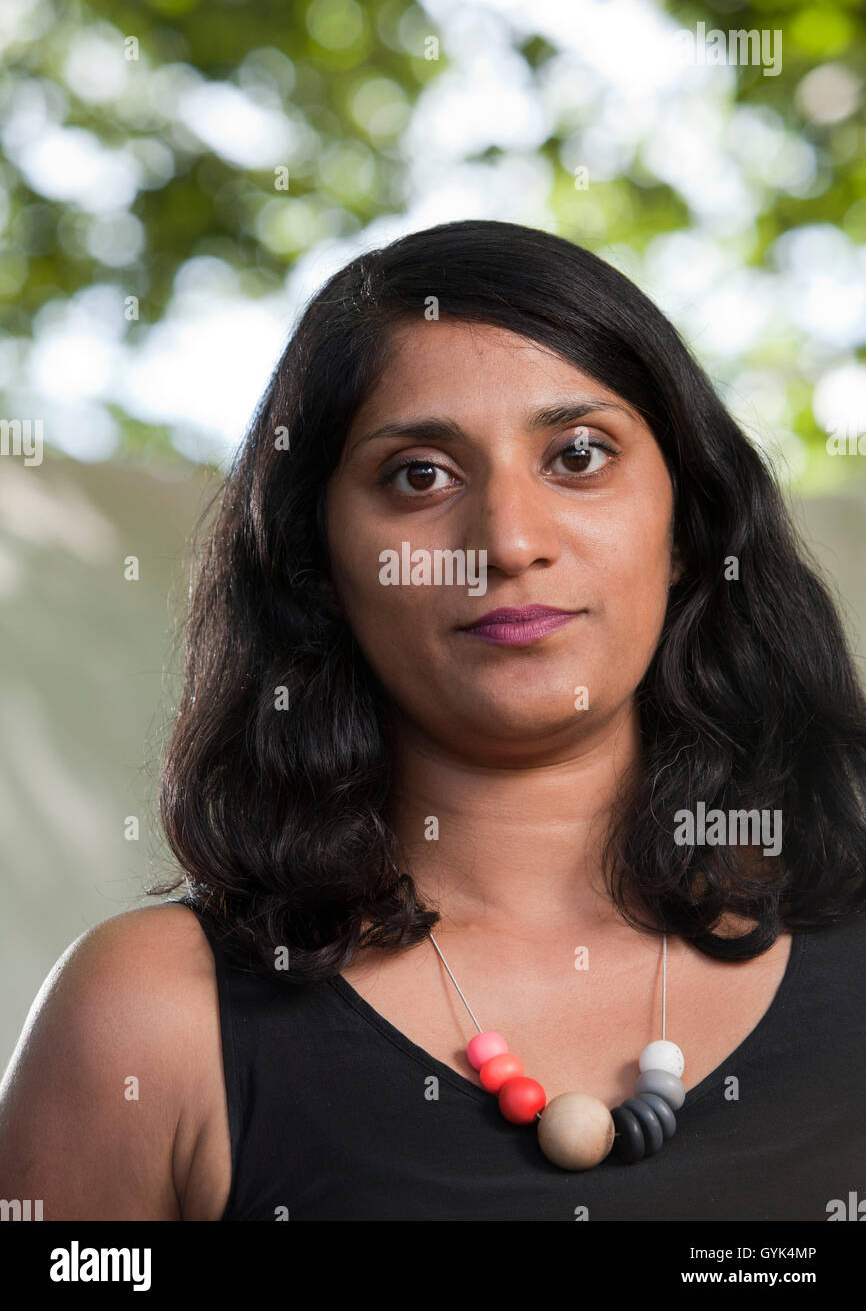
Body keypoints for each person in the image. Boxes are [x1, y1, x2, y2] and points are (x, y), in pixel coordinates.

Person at [2, 219, 865, 1221]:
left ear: (686, 526)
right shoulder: (147, 1018)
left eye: (577, 455)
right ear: (317, 563)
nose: (504, 540)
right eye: (419, 474)